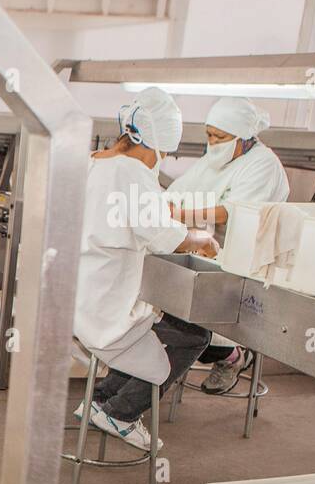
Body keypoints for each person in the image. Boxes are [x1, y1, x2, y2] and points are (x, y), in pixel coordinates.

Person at [74, 87, 220, 452]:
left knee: (157, 329)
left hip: (78, 299)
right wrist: (203, 238)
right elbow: (164, 238)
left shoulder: (94, 161)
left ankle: (99, 400)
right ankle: (121, 414)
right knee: (193, 333)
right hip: (107, 309)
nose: (162, 160)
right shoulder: (132, 172)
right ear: (154, 146)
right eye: (165, 153)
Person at [166, 97, 289, 393]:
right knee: (182, 319)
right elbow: (180, 189)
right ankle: (217, 350)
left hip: (248, 256)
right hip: (209, 249)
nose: (212, 142)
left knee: (213, 323)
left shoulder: (263, 164)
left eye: (219, 137)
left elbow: (234, 211)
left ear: (243, 137)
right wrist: (165, 203)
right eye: (209, 135)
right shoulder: (216, 158)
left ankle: (232, 357)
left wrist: (181, 214)